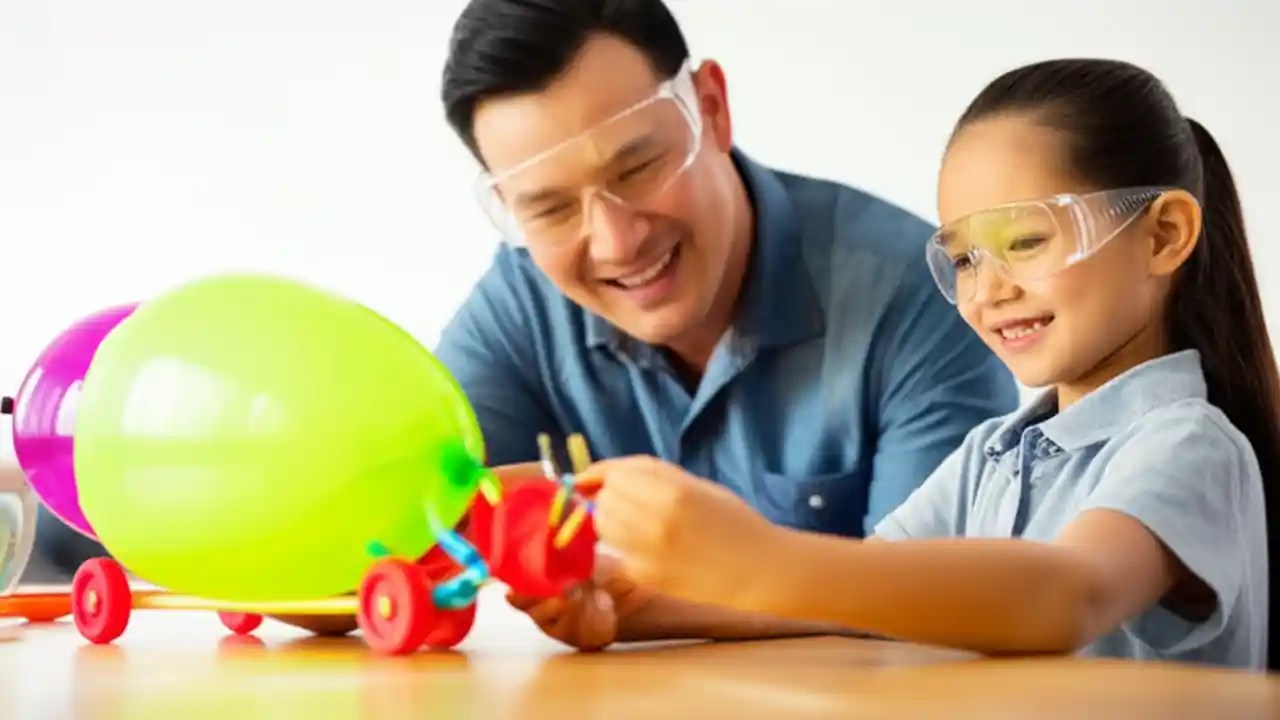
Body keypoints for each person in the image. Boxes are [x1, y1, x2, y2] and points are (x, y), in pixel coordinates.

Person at [573, 57, 1280, 670]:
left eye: (1026, 241)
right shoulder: (992, 456)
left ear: (1163, 236)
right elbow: (864, 592)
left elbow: (1070, 594)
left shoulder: (1191, 446)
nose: (988, 290)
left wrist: (757, 557)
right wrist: (630, 603)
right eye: (964, 259)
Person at [435, 0, 1016, 646]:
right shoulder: (519, 306)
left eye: (636, 168)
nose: (616, 242)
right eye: (548, 209)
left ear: (710, 107)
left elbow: (945, 598)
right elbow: (400, 528)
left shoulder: (921, 299)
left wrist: (640, 601)